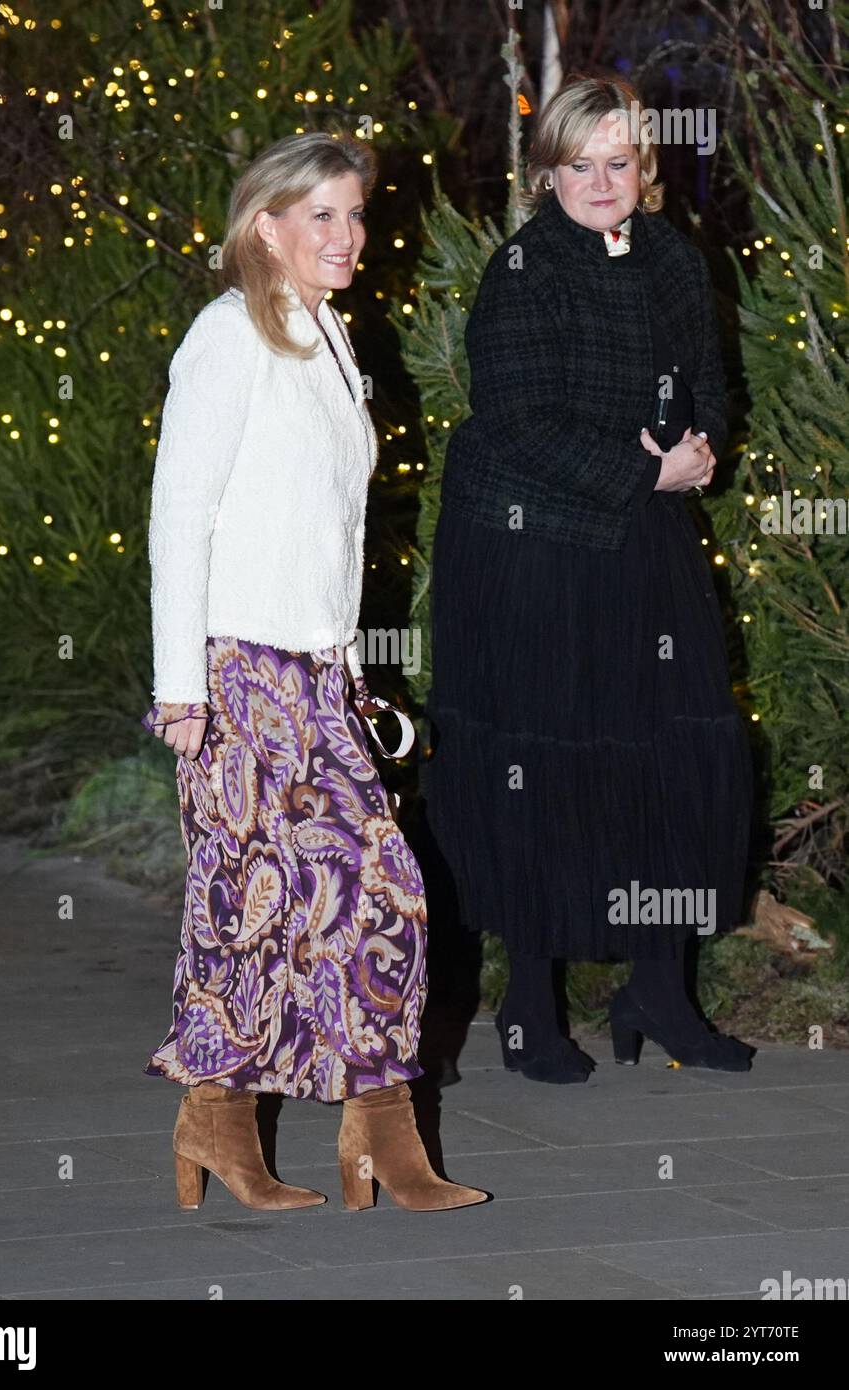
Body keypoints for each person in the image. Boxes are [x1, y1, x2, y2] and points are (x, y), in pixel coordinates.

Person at [141, 131, 487, 1213]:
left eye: (354, 214)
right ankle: (244, 1124)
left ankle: (345, 1133)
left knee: (336, 897)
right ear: (266, 227)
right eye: (323, 216)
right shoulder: (228, 335)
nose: (349, 235)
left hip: (315, 671)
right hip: (239, 672)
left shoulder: (327, 334)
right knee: (322, 893)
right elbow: (179, 519)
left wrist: (342, 661)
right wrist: (181, 688)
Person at [424, 75, 756, 1084]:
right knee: (543, 768)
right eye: (581, 163)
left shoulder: (668, 255)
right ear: (547, 173)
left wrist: (704, 444)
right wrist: (646, 468)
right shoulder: (523, 270)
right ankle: (529, 1004)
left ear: (643, 167)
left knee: (672, 749)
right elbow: (518, 422)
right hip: (529, 547)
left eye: (620, 161)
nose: (601, 180)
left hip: (643, 535)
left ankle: (659, 987)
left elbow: (714, 380)